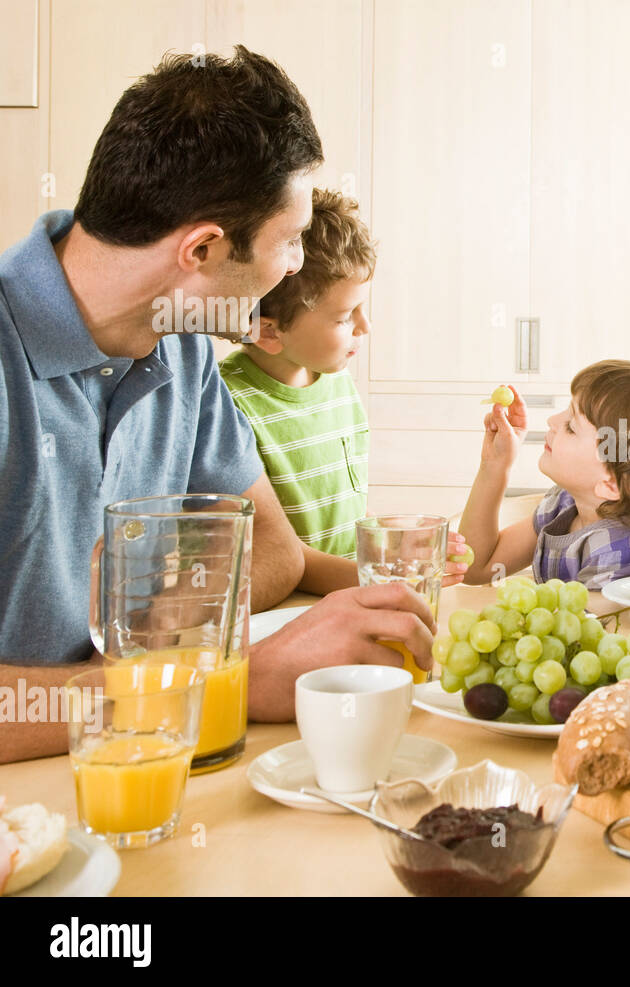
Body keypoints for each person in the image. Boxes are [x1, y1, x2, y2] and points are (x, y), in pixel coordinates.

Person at [0, 48, 436, 764]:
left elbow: (274, 548)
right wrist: (209, 688)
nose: (298, 264)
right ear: (202, 248)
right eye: (290, 241)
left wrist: (165, 626)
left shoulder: (185, 348)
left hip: (148, 771)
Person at [218, 188, 468, 593]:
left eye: (362, 308)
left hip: (345, 594)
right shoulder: (229, 405)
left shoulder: (335, 380)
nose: (364, 327)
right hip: (290, 609)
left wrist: (395, 547)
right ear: (268, 331)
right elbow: (277, 554)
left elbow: (341, 515)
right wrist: (385, 578)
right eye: (343, 317)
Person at [458, 361, 630, 589]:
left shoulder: (620, 556)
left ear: (610, 484)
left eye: (571, 426)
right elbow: (476, 566)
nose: (552, 421)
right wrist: (495, 465)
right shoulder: (565, 504)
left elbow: (590, 642)